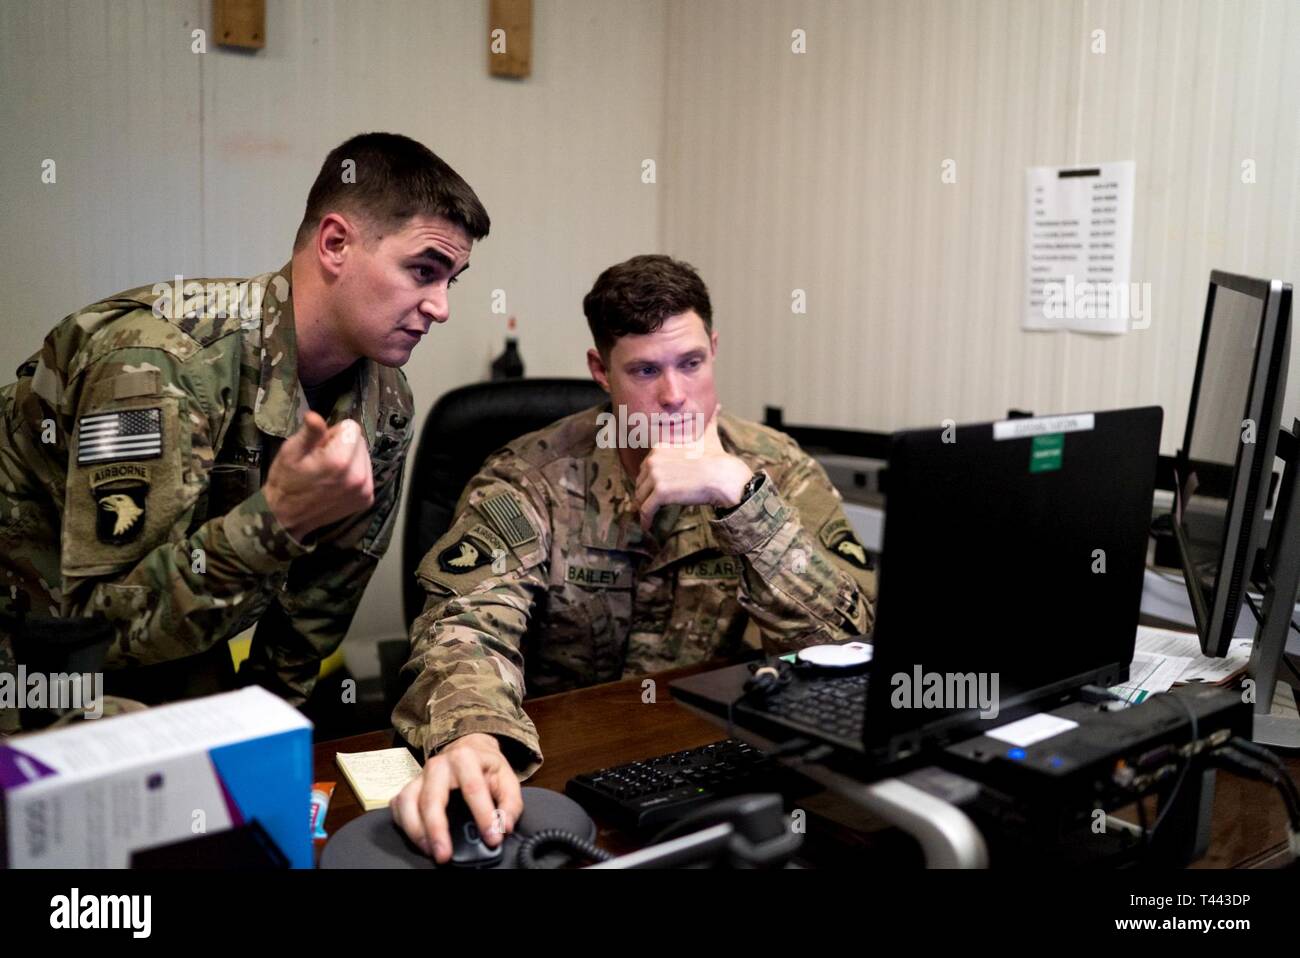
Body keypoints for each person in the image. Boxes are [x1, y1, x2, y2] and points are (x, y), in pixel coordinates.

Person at [390, 254, 876, 862]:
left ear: (714, 350)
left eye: (691, 364)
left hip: (726, 771)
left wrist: (742, 502)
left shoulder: (777, 470)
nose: (675, 396)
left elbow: (852, 654)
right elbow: (466, 629)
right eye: (645, 370)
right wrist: (472, 735)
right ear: (601, 370)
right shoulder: (530, 477)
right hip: (565, 783)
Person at [0, 132, 489, 733]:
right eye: (423, 271)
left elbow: (319, 603)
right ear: (335, 243)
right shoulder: (158, 363)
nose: (440, 307)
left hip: (177, 630)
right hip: (36, 641)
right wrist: (277, 521)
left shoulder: (384, 401)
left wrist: (264, 738)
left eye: (451, 281)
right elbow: (98, 625)